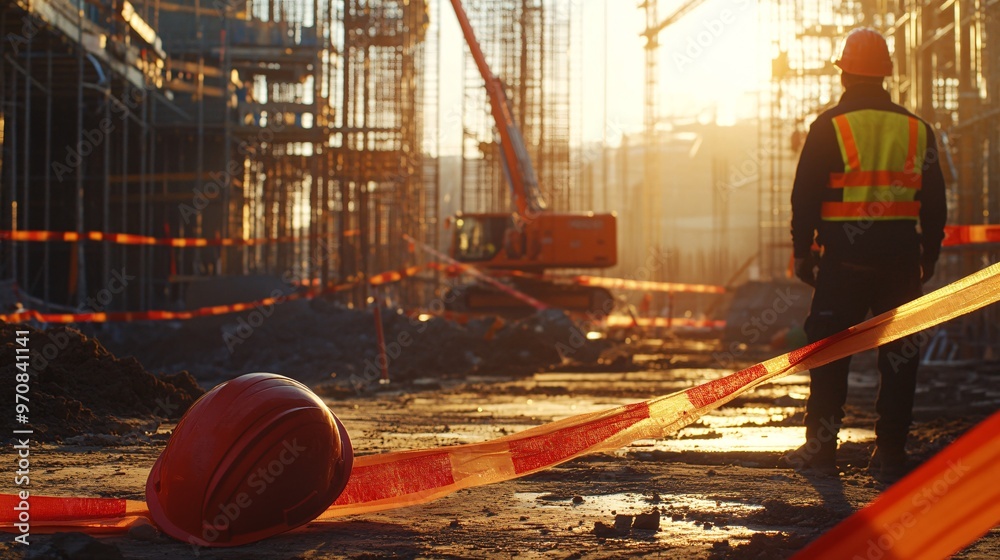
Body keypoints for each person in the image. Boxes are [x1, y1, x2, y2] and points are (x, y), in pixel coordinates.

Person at [780, 28, 947, 481]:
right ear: (887, 74)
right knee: (899, 359)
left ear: (845, 73)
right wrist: (927, 255)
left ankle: (821, 452)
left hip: (843, 263)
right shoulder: (917, 129)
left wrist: (802, 252)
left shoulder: (827, 127)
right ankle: (891, 453)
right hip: (899, 265)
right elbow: (935, 203)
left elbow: (805, 197)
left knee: (830, 355)